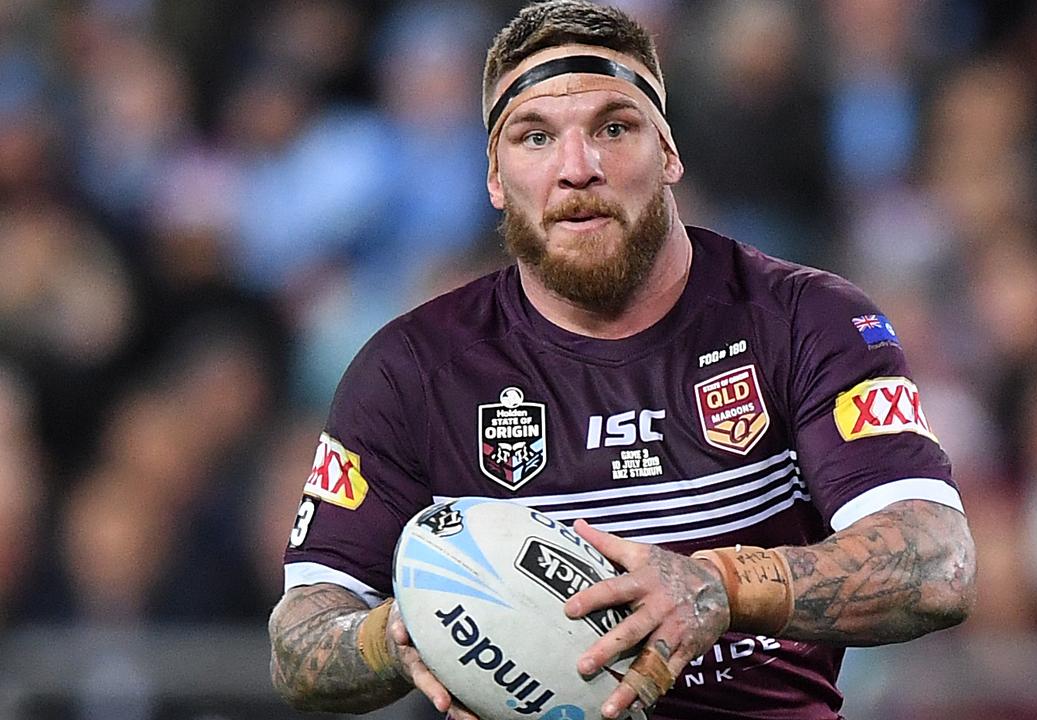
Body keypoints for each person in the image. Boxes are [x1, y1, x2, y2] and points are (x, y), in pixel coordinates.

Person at [268, 2, 977, 719]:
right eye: (535, 136)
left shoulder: (803, 320)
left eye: (613, 127)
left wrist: (722, 586)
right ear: (493, 176)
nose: (578, 168)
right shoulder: (410, 370)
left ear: (668, 153)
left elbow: (934, 561)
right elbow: (298, 641)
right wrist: (395, 634)